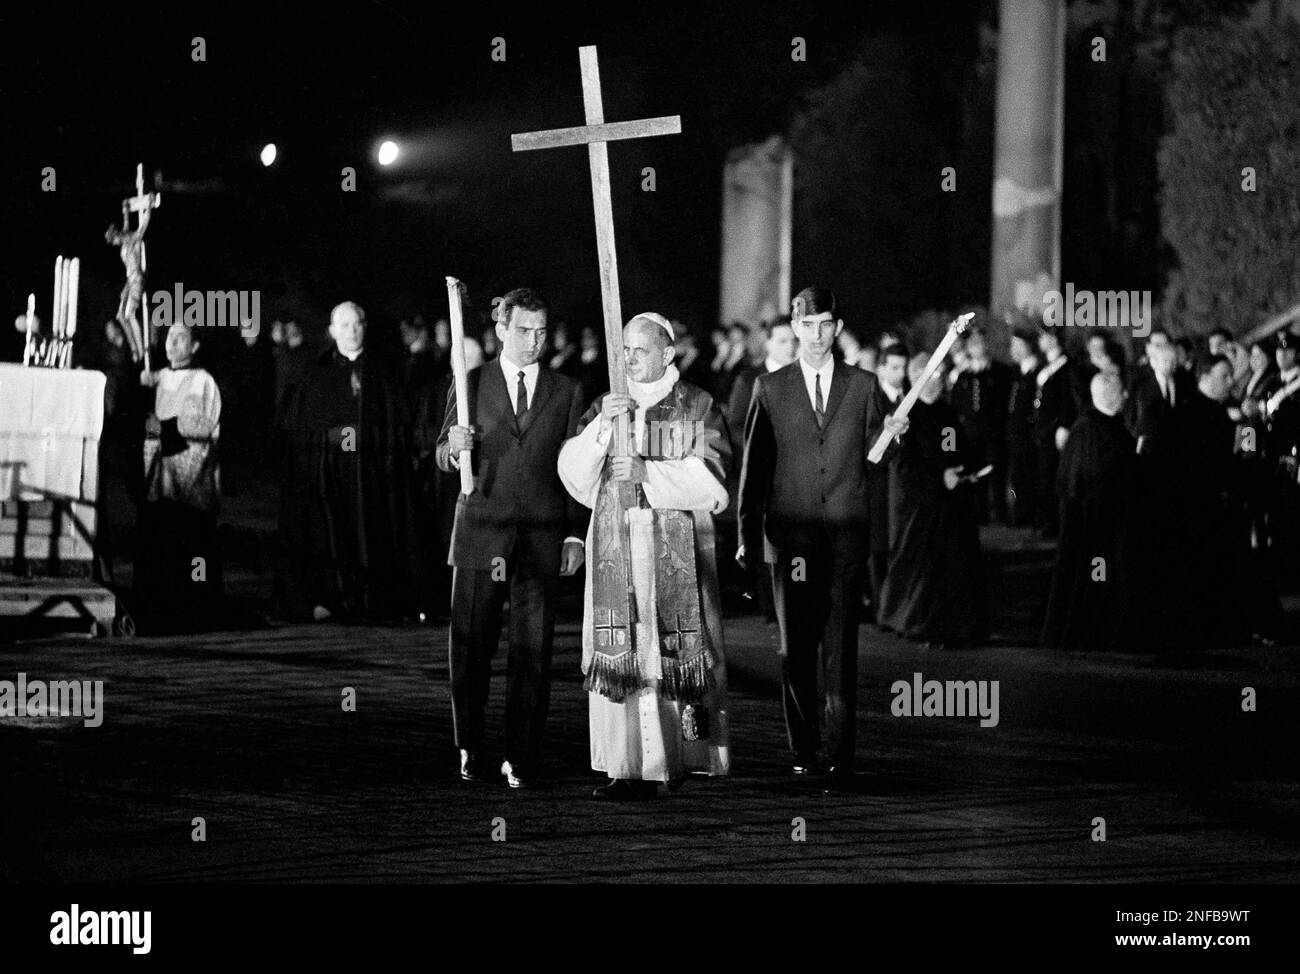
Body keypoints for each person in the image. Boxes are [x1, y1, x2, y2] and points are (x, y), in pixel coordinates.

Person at [736, 286, 907, 783]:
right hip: (791, 539)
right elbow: (755, 468)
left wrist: (897, 436)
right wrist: (747, 536)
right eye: (807, 326)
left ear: (837, 327)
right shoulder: (771, 388)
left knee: (840, 646)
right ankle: (803, 749)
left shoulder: (864, 384)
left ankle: (838, 752)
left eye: (825, 325)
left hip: (847, 536)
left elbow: (880, 453)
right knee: (795, 647)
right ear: (794, 328)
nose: (815, 335)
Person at [559, 312, 732, 800]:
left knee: (665, 652)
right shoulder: (608, 404)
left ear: (667, 353)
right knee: (625, 652)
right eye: (625, 349)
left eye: (639, 349)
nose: (629, 358)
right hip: (618, 546)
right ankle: (625, 764)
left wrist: (648, 475)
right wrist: (600, 432)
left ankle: (674, 759)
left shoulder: (696, 405)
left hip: (674, 548)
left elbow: (715, 484)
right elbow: (572, 476)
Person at [437, 289, 587, 789]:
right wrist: (452, 450)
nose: (533, 341)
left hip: (542, 538)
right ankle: (470, 747)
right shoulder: (471, 382)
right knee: (471, 647)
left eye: (542, 332)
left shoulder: (567, 390)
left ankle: (521, 755)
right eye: (523, 331)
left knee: (533, 653)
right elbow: (440, 450)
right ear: (501, 330)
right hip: (481, 530)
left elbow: (575, 471)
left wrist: (573, 535)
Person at [275, 301, 416, 622]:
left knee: (375, 532)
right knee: (331, 536)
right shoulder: (316, 374)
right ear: (332, 331)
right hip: (331, 475)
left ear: (365, 327)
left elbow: (396, 423)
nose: (352, 331)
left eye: (357, 324)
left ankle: (374, 597)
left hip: (373, 473)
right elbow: (302, 430)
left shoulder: (382, 373)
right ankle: (333, 598)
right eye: (345, 325)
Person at [878, 353, 987, 647]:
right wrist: (939, 477)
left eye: (941, 375)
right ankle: (914, 621)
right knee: (923, 566)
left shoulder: (946, 412)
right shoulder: (906, 415)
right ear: (917, 378)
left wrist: (968, 469)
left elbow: (955, 447)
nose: (938, 381)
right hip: (919, 507)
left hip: (949, 503)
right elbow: (903, 465)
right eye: (932, 376)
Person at [134, 324, 223, 632]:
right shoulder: (156, 376)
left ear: (195, 345)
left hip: (190, 482)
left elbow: (202, 424)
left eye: (181, 337)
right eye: (169, 337)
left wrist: (164, 428)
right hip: (160, 477)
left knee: (193, 548)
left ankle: (196, 608)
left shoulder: (203, 381)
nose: (172, 343)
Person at [1041, 371, 1136, 652]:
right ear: (1110, 394)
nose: (1126, 396)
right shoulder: (1090, 430)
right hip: (1094, 530)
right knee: (1094, 579)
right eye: (1121, 390)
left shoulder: (1097, 427)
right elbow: (1089, 480)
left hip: (1099, 526)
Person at [949, 325, 1011, 523]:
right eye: (973, 344)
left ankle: (1000, 512)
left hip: (993, 430)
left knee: (996, 472)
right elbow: (957, 405)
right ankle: (980, 512)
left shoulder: (1000, 372)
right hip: (970, 431)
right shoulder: (963, 376)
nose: (977, 347)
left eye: (980, 343)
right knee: (975, 472)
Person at [867, 342, 908, 618]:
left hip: (905, 483)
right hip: (879, 483)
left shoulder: (912, 397)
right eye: (894, 367)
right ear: (881, 369)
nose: (900, 374)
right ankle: (880, 606)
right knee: (878, 547)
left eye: (903, 368)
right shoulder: (873, 399)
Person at [1005, 329, 1039, 528]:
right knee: (1017, 475)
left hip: (1028, 434)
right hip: (1015, 434)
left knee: (1028, 475)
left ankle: (1028, 513)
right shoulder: (1017, 372)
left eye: (1018, 345)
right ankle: (1019, 512)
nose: (1013, 350)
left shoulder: (1035, 373)